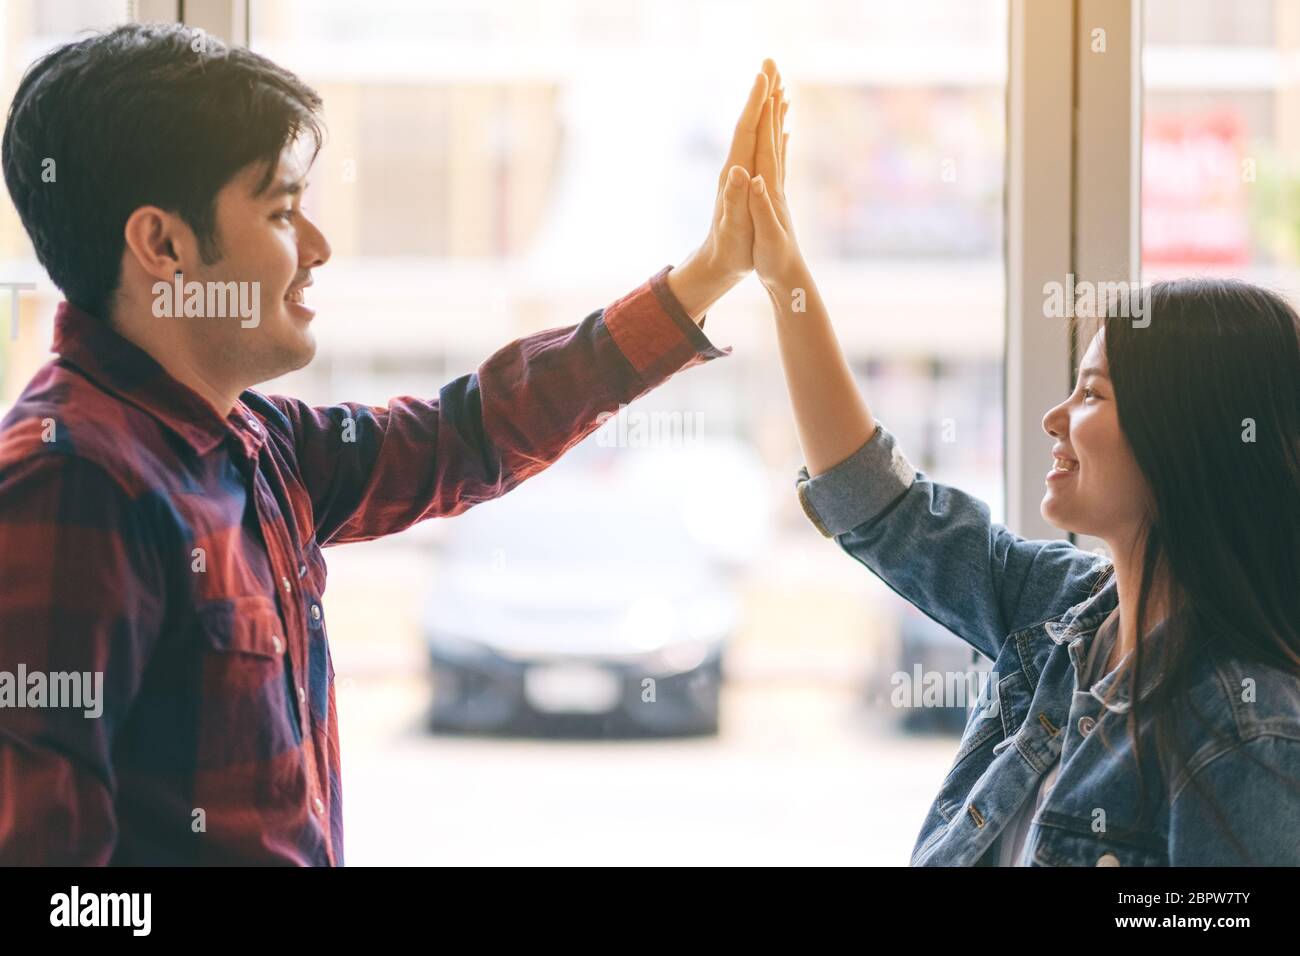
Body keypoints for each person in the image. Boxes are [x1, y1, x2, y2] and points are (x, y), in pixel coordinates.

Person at [0, 23, 783, 865]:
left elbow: (468, 435)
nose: (318, 250)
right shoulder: (70, 482)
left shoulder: (257, 444)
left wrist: (704, 277)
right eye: (282, 212)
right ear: (164, 246)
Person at [740, 71, 1300, 865]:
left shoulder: (1254, 735)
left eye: (1092, 395)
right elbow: (880, 507)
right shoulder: (1063, 617)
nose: (1053, 420)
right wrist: (783, 278)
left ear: (1184, 439)